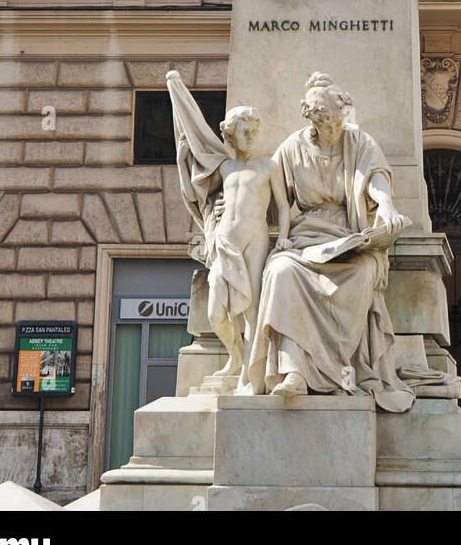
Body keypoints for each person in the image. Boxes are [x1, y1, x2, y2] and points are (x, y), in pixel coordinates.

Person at [244, 73, 414, 411]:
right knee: (280, 271)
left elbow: (376, 175)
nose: (333, 131)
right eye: (325, 124)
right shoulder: (292, 148)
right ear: (311, 117)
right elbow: (266, 187)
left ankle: (341, 371)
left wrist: (386, 205)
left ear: (343, 114)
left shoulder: (359, 141)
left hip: (350, 237)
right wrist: (232, 203)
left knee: (365, 271)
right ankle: (294, 372)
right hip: (305, 237)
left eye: (337, 122)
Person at [166, 73, 291, 388]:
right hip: (225, 242)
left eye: (253, 131)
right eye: (243, 132)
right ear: (231, 136)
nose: (250, 136)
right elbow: (195, 195)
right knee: (216, 313)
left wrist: (285, 237)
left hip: (256, 240)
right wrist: (182, 163)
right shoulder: (223, 168)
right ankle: (235, 356)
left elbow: (285, 206)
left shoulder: (269, 167)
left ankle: (252, 370)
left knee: (253, 311)